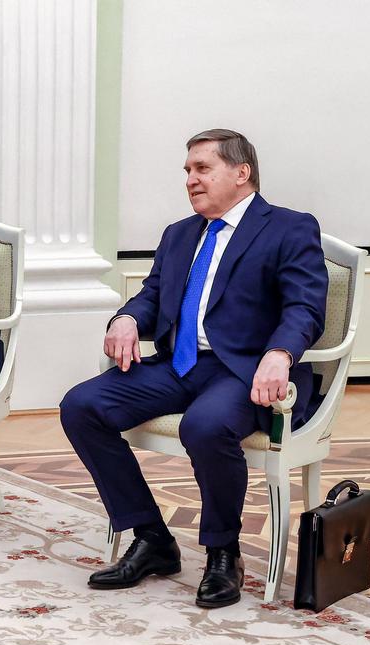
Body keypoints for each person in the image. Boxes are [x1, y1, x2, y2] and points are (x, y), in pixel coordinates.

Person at [59, 129, 328, 608]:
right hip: (179, 365)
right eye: (187, 170)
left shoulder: (289, 228)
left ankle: (223, 553)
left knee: (204, 426)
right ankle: (152, 537)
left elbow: (304, 307)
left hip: (245, 370)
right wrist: (126, 318)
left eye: (203, 168)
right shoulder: (180, 233)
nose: (190, 179)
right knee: (81, 405)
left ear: (242, 173)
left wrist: (280, 353)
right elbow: (152, 295)